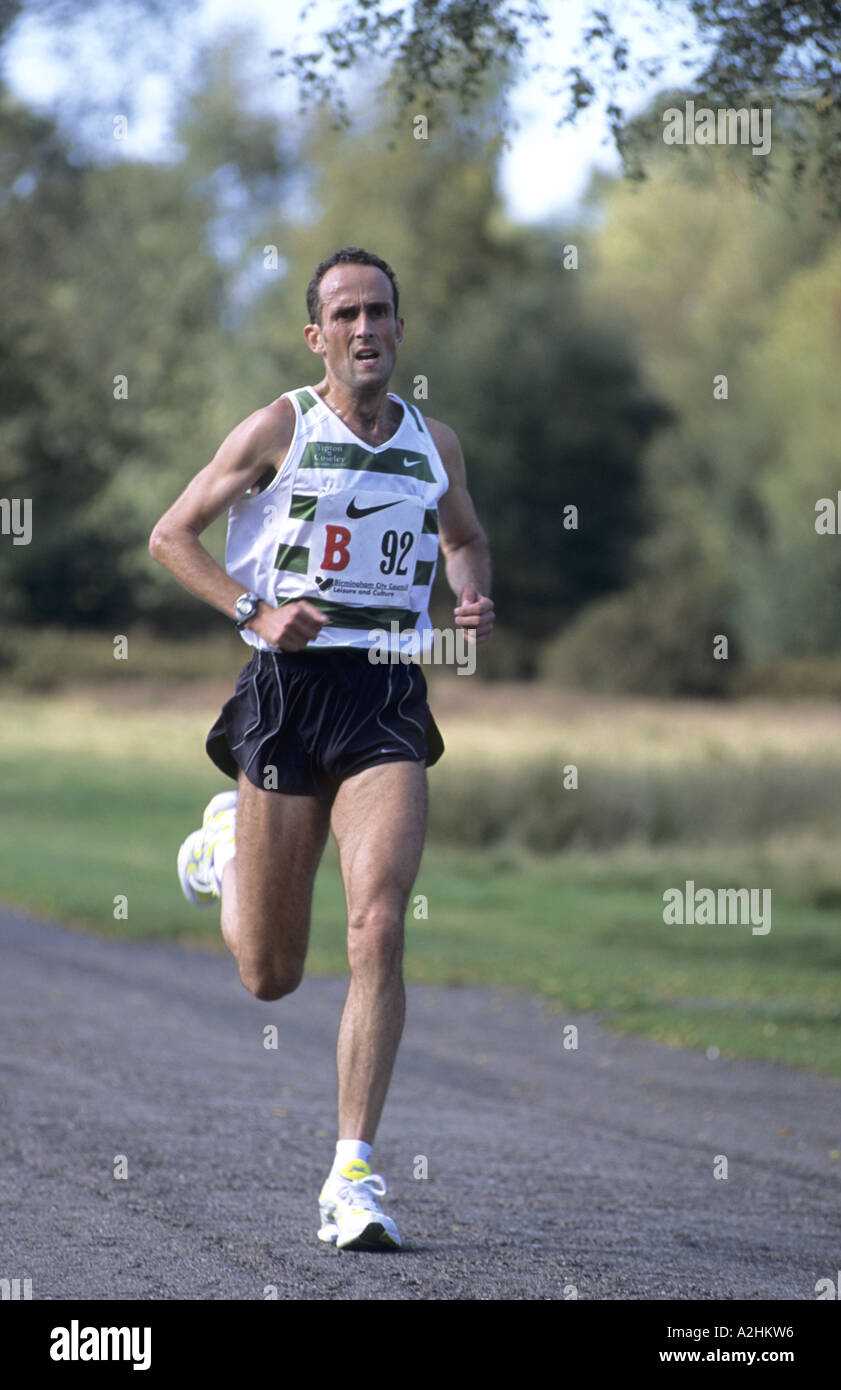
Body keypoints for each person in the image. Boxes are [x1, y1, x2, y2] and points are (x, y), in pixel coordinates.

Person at [149, 247, 494, 1251]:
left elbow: (463, 535)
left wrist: (470, 591)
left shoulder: (435, 444)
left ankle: (353, 1174)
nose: (363, 328)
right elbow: (170, 535)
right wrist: (255, 609)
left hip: (384, 691)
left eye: (378, 311)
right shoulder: (277, 428)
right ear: (317, 336)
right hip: (286, 695)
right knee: (270, 973)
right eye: (343, 314)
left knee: (378, 922)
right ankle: (224, 854)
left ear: (398, 327)